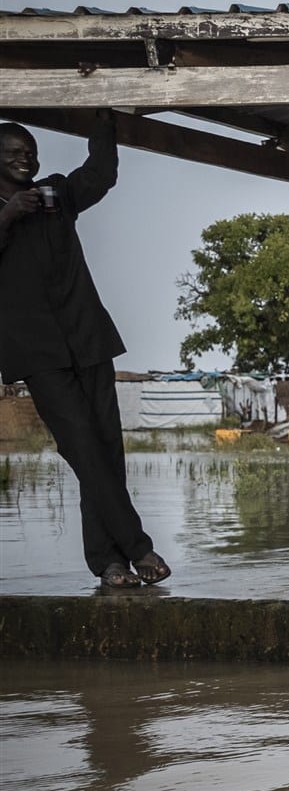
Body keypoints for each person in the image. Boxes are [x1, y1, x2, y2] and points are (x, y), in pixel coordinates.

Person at [0, 114, 169, 588]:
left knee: (106, 452)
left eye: (30, 152)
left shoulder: (55, 193)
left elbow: (100, 175)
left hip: (89, 338)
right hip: (37, 355)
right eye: (14, 152)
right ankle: (137, 548)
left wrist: (102, 119)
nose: (25, 159)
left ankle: (109, 564)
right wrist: (8, 215)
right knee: (82, 447)